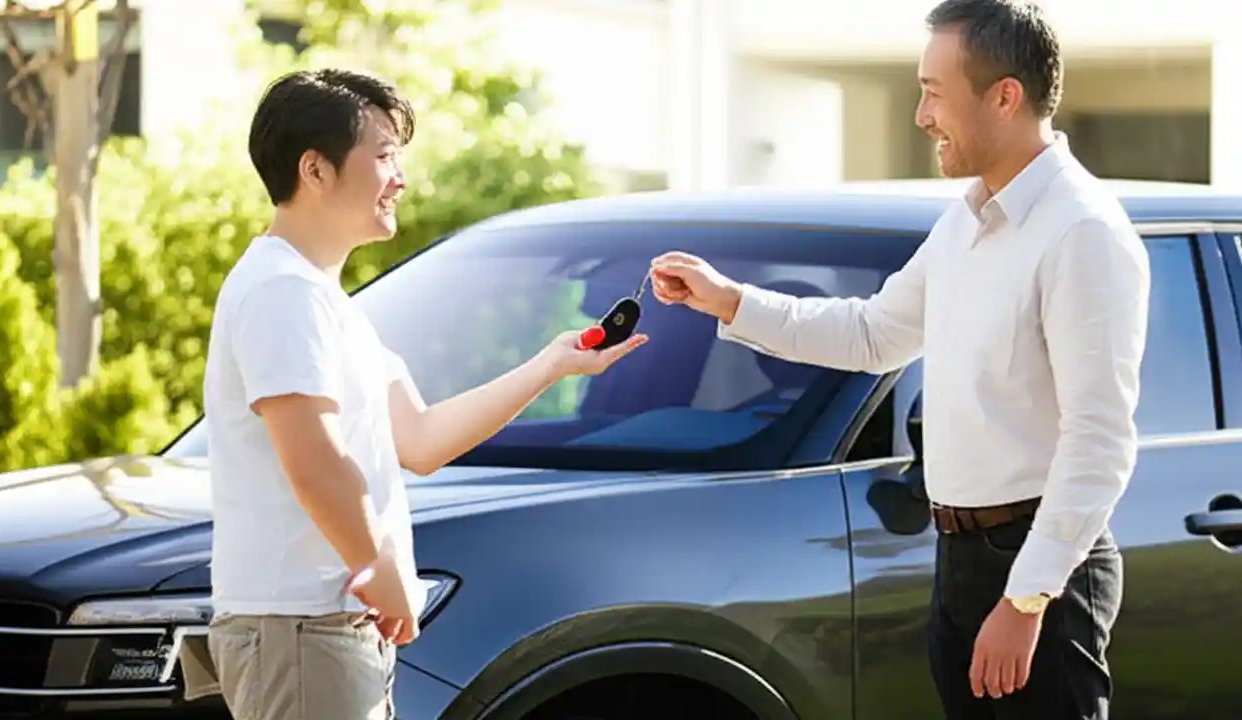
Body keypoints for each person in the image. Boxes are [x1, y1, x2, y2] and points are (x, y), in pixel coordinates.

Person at [649, 1, 1149, 718]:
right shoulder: (967, 220)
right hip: (962, 561)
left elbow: (1100, 438)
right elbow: (873, 333)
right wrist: (730, 302)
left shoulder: (1083, 233)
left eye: (934, 92)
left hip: (1041, 572)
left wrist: (1027, 597)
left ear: (1004, 96)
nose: (921, 115)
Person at [196, 68, 646, 720]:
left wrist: (550, 367)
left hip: (331, 624)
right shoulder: (280, 292)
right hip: (301, 622)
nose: (399, 177)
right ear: (315, 170)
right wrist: (376, 571)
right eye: (382, 157)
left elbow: (421, 439)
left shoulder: (324, 300)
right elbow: (313, 460)